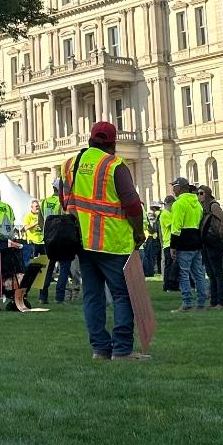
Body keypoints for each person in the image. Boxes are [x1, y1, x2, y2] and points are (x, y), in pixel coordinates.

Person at [62, 121, 148, 359]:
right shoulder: (114, 165)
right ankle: (122, 349)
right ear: (113, 144)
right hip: (112, 241)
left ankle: (100, 349)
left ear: (90, 139)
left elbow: (65, 200)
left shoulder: (70, 164)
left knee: (92, 295)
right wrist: (139, 232)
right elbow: (131, 203)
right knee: (122, 295)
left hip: (82, 241)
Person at [165, 177, 205, 311]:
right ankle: (201, 302)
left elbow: (176, 227)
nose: (173, 189)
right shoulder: (197, 203)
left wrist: (172, 246)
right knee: (198, 273)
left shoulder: (179, 204)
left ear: (180, 187)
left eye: (174, 186)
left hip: (184, 242)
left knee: (183, 273)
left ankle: (187, 302)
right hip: (196, 241)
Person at [143, 202, 163, 278]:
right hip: (157, 237)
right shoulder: (160, 213)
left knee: (150, 256)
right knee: (157, 256)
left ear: (154, 208)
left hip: (152, 237)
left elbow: (152, 227)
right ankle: (158, 271)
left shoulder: (154, 215)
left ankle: (150, 272)